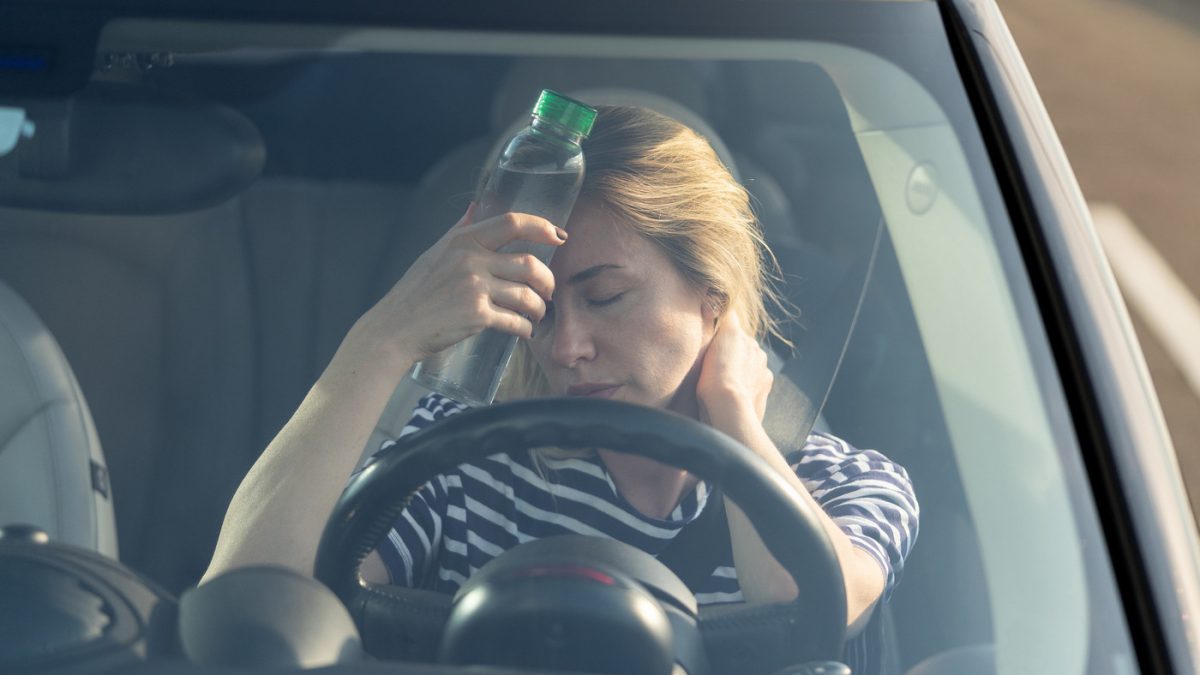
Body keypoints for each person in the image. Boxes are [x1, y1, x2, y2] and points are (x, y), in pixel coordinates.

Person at [204, 104, 918, 673]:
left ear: (711, 295)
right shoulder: (460, 460)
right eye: (538, 312)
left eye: (606, 297)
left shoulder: (842, 482)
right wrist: (380, 340)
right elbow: (251, 602)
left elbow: (803, 600)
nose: (566, 347)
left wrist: (732, 414)